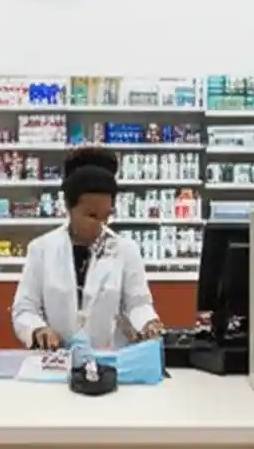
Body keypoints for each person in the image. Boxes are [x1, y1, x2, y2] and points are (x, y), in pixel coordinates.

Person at [12, 147, 165, 351]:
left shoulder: (126, 251)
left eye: (106, 216)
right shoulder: (42, 249)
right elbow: (25, 309)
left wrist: (149, 323)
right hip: (55, 360)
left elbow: (138, 304)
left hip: (108, 359)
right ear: (68, 206)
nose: (100, 224)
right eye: (91, 216)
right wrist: (38, 330)